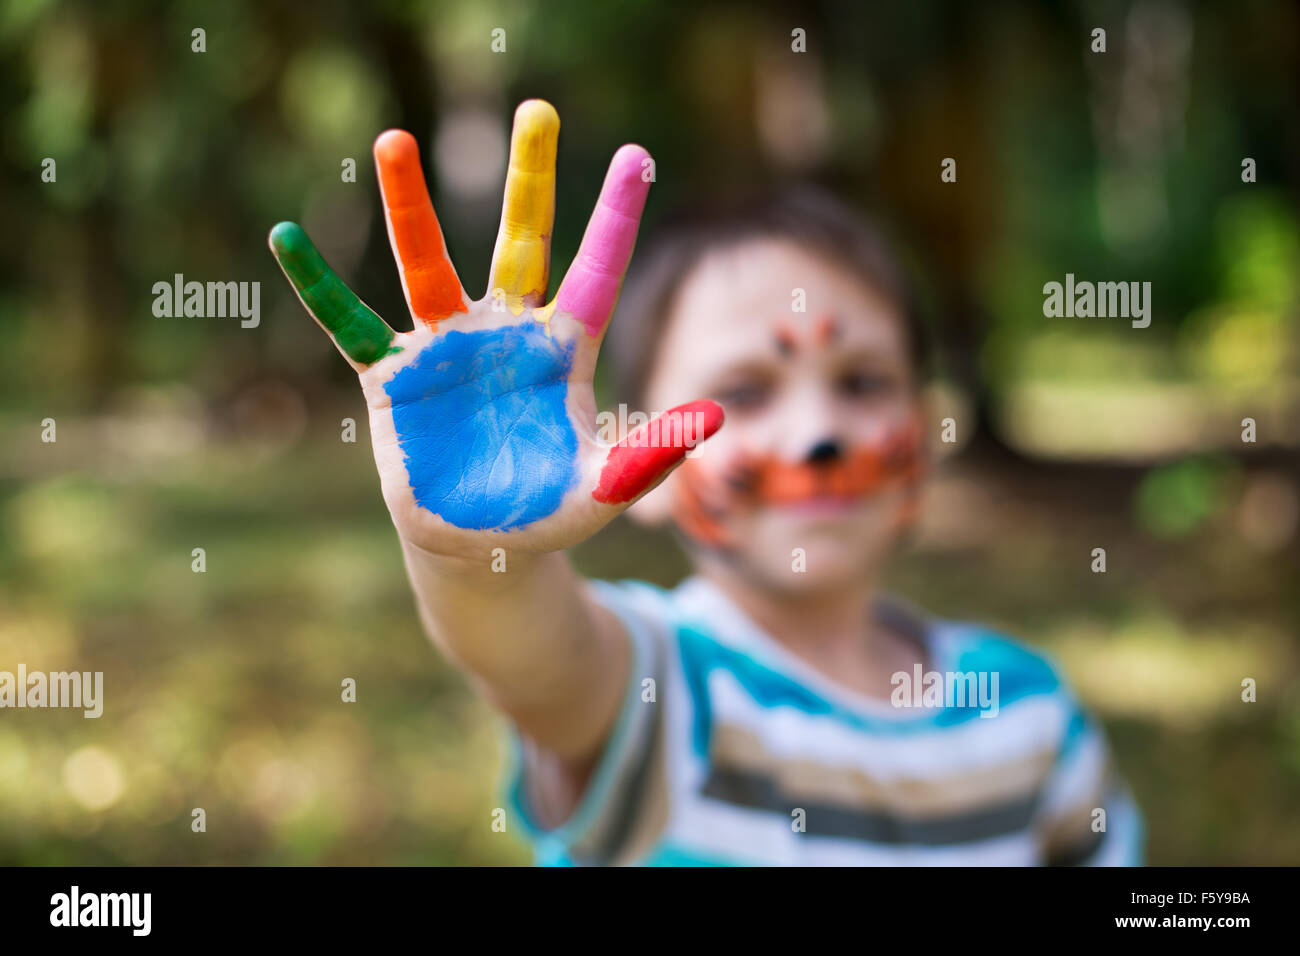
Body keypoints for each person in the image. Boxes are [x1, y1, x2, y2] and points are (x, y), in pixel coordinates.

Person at [268, 99, 1143, 866]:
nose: (820, 433)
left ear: (926, 423)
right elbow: (532, 658)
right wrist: (473, 556)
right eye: (746, 392)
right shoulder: (657, 691)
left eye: (865, 382)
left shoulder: (1027, 712)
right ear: (631, 456)